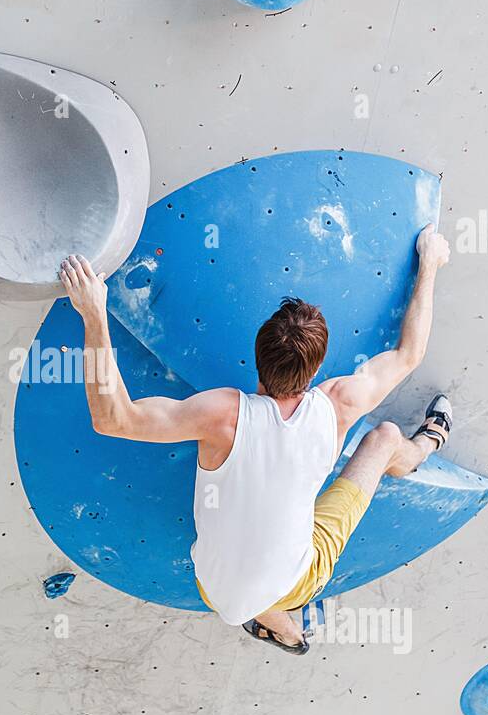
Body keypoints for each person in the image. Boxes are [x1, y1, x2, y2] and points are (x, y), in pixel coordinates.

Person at [59, 225, 453, 654]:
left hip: (214, 590)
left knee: (257, 574)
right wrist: (430, 261)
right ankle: (416, 452)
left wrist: (93, 312)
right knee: (385, 437)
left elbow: (114, 418)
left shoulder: (223, 416)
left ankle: (279, 625)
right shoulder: (340, 404)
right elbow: (408, 355)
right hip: (287, 582)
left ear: (257, 354)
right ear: (318, 369)